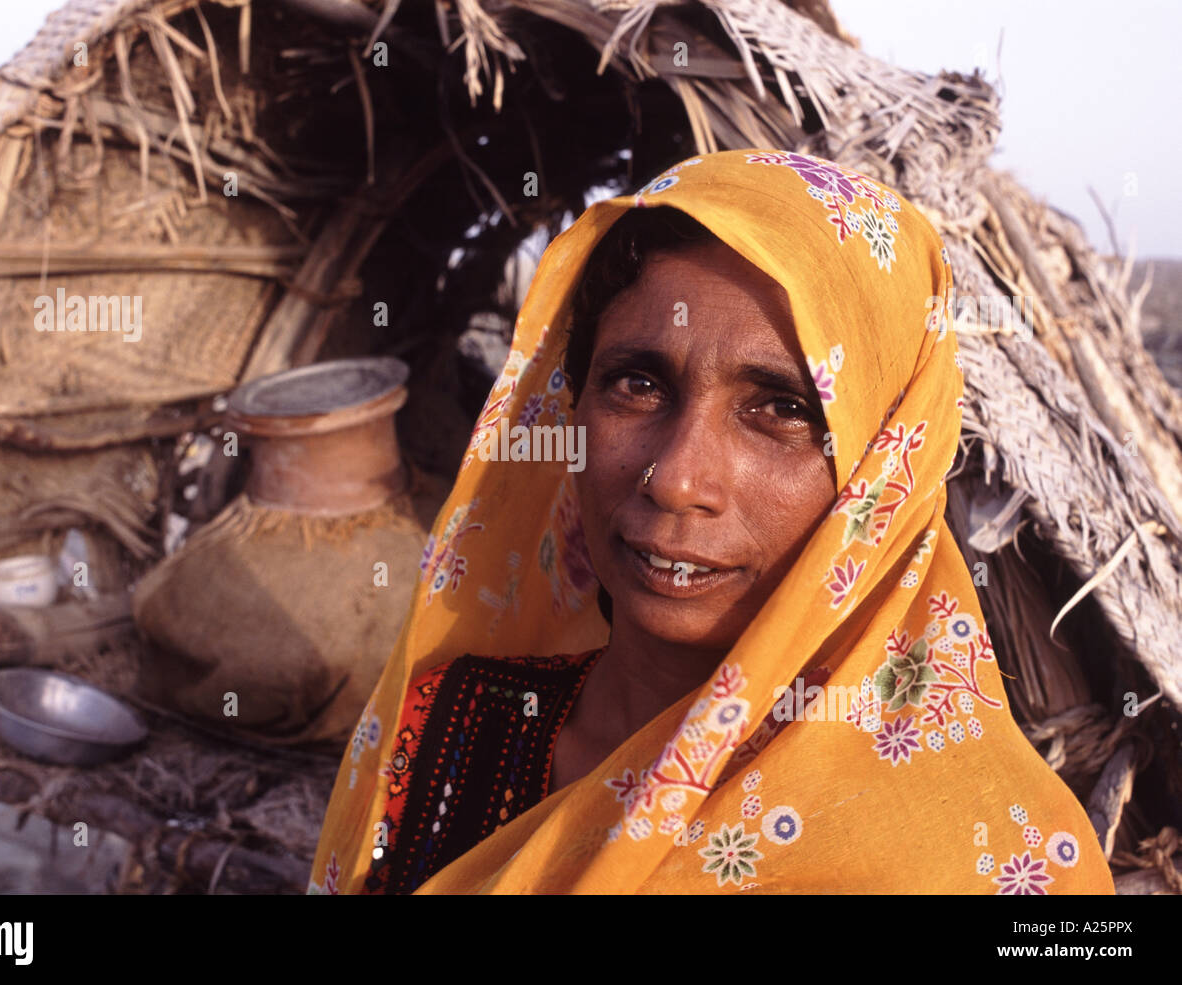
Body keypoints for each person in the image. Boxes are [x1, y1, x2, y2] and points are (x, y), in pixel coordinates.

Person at [308, 149, 1115, 894]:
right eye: (637, 384)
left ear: (882, 473)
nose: (678, 479)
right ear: (571, 405)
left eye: (782, 408)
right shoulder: (448, 732)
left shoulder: (996, 852)